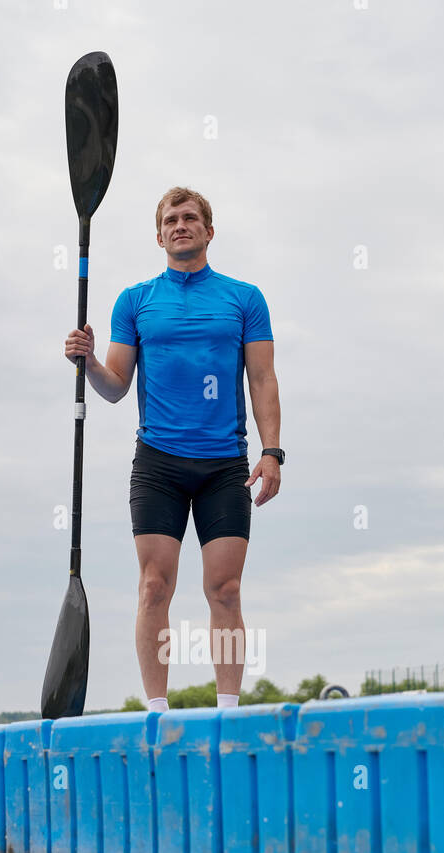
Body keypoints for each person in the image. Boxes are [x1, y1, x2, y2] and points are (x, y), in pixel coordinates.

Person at [64, 186, 283, 712]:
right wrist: (88, 360)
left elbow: (263, 379)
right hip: (158, 463)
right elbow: (116, 386)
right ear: (158, 234)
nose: (180, 225)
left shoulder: (243, 298)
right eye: (170, 219)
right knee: (153, 587)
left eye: (190, 218)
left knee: (225, 589)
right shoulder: (136, 301)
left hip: (224, 464)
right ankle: (157, 715)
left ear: (209, 231)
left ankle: (228, 710)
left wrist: (272, 451)